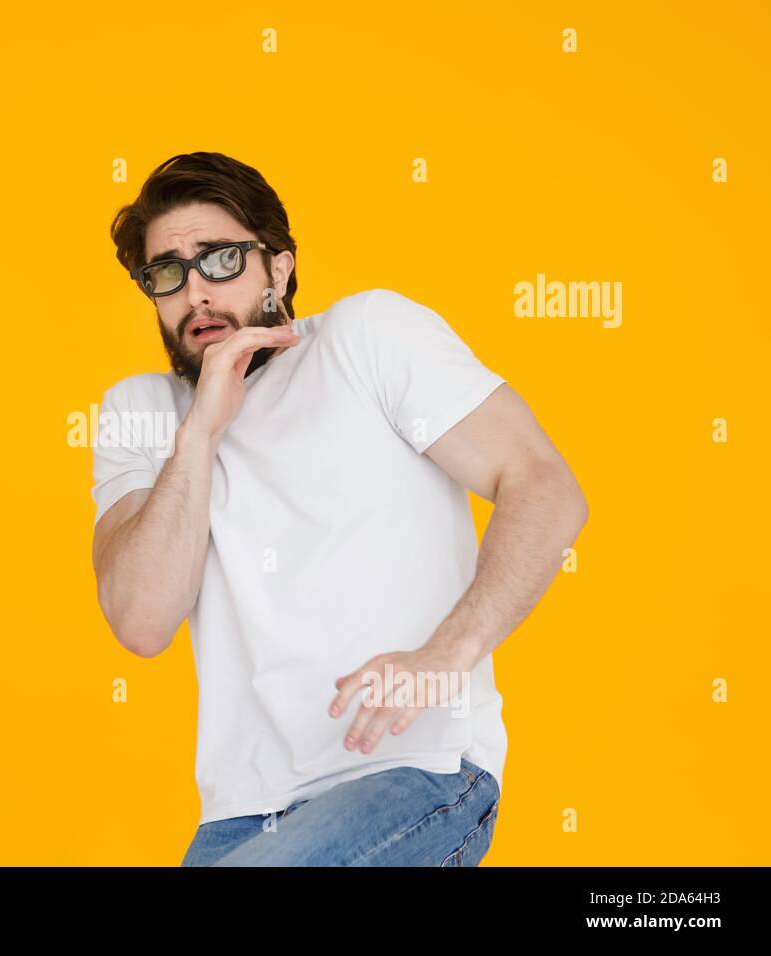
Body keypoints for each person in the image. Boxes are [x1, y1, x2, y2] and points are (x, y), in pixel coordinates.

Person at [91, 152, 589, 866]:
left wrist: (445, 657)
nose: (195, 291)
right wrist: (201, 429)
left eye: (221, 259)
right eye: (166, 272)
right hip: (240, 816)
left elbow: (544, 485)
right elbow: (141, 619)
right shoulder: (141, 413)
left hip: (416, 772)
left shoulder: (367, 337)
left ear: (279, 269)